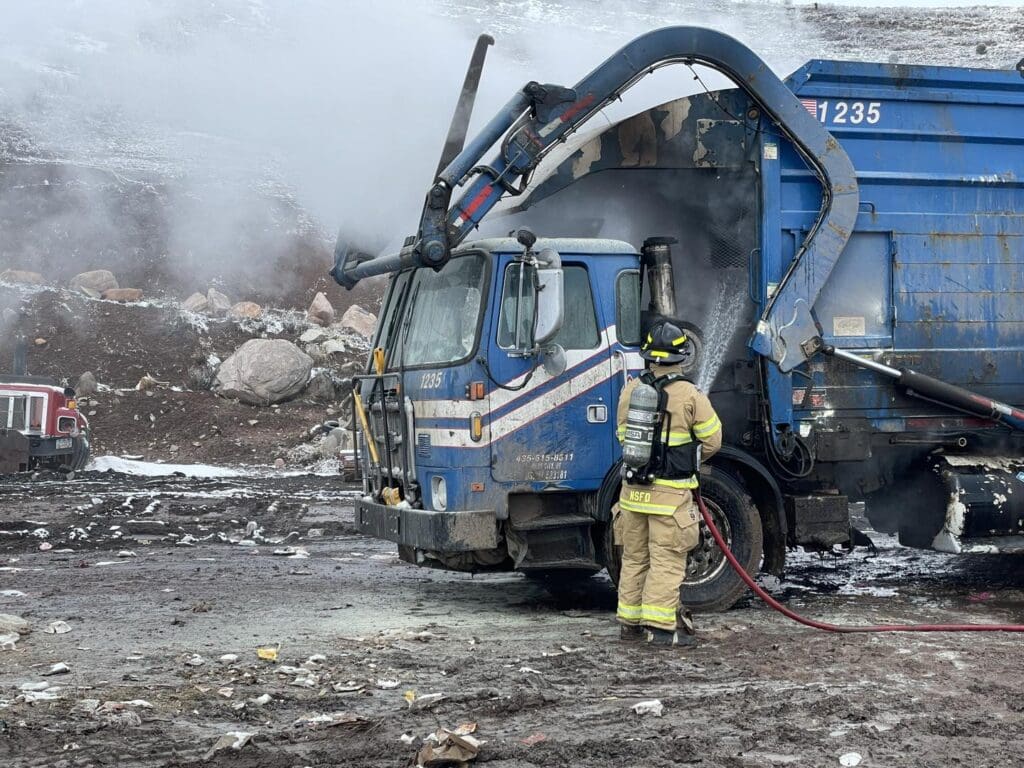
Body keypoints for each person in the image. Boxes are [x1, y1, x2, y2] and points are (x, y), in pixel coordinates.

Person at [613, 319, 722, 648]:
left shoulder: (631, 389)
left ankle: (629, 626)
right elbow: (713, 440)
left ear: (648, 355)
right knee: (666, 561)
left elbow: (622, 436)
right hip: (670, 497)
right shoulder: (690, 395)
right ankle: (661, 631)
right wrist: (688, 459)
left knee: (634, 559)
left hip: (632, 495)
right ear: (680, 357)